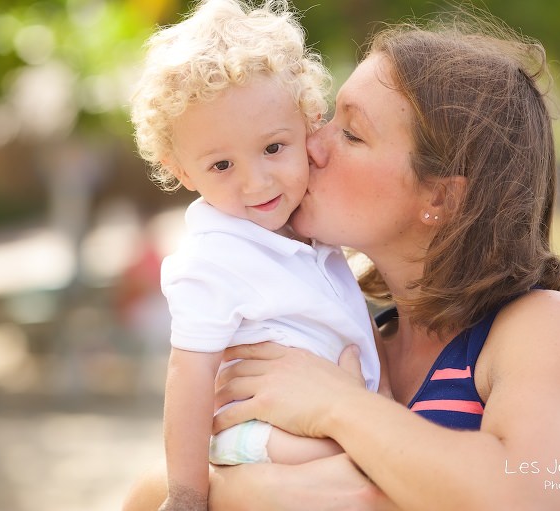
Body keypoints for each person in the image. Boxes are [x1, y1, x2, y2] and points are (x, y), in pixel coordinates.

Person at [123, 10, 560, 511]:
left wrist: (336, 406)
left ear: (441, 197)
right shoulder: (351, 337)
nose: (312, 143)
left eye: (351, 133)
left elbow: (526, 497)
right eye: (327, 119)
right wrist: (238, 488)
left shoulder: (548, 329)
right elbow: (148, 495)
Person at [128, 0, 381, 509]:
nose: (256, 182)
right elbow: (189, 376)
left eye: (272, 149)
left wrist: (385, 403)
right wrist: (186, 494)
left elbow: (356, 329)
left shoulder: (315, 234)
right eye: (222, 165)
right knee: (370, 467)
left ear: (309, 125)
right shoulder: (213, 258)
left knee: (381, 456)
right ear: (182, 172)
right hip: (260, 433)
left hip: (327, 417)